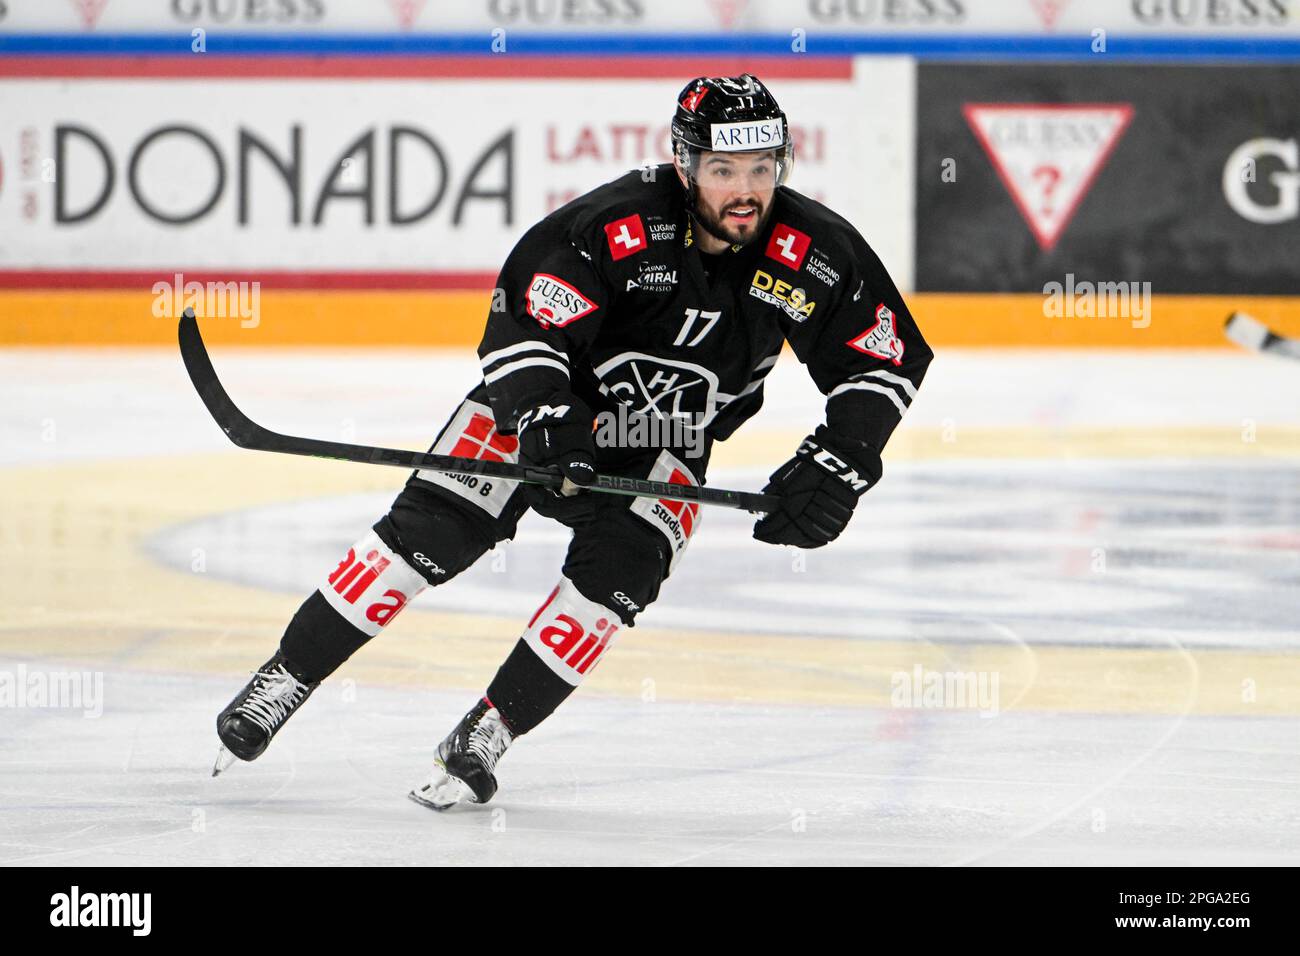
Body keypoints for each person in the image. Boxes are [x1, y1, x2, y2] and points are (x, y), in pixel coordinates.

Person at [213, 74, 933, 809]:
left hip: (666, 437)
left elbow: (886, 358)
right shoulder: (619, 224)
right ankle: (287, 676)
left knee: (620, 572)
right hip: (547, 414)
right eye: (723, 170)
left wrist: (841, 461)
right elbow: (525, 321)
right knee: (429, 533)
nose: (745, 190)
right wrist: (546, 415)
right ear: (685, 165)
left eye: (761, 168)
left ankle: (488, 729)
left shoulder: (812, 251)